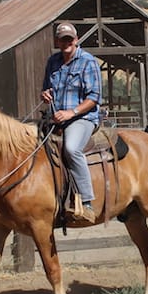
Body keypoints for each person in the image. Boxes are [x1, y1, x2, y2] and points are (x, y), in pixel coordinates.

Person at [40, 22, 102, 223]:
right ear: (57, 41)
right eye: (62, 39)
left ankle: (86, 202)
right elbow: (46, 88)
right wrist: (45, 95)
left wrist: (71, 113)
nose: (66, 43)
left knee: (71, 148)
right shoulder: (53, 61)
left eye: (69, 39)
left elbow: (94, 97)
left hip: (83, 118)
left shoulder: (87, 61)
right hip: (56, 118)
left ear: (76, 40)